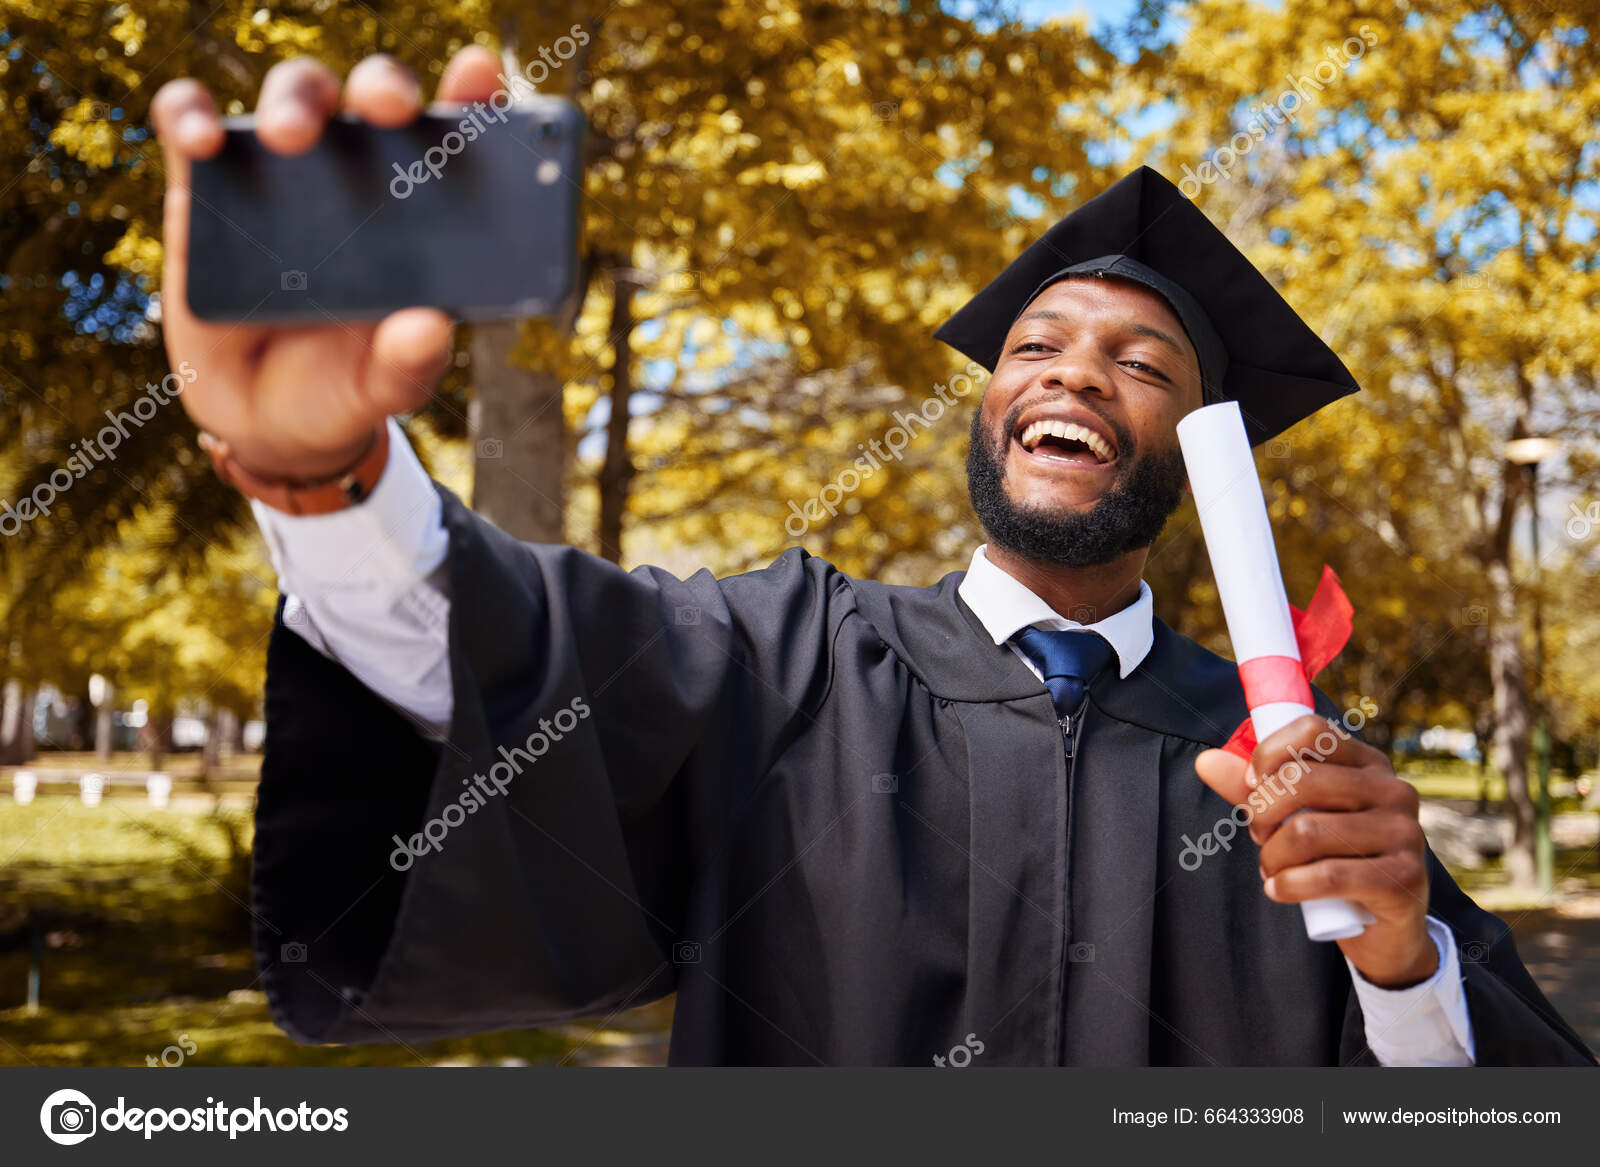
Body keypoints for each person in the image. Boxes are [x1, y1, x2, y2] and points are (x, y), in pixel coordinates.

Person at [152, 48, 1594, 1067]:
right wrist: (323, 480)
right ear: (986, 407)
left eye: (1141, 361)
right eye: (1035, 346)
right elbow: (514, 654)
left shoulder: (1288, 771)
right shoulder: (792, 663)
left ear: (1202, 444)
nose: (1075, 373)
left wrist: (1403, 959)